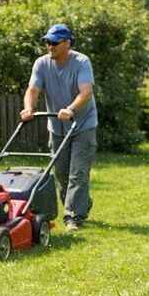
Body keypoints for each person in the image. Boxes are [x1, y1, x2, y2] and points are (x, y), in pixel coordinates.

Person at [20, 23, 97, 231]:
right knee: (62, 174)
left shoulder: (81, 62)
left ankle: (73, 217)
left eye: (54, 42)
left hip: (82, 125)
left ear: (67, 43)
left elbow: (86, 92)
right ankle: (81, 203)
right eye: (47, 42)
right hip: (56, 127)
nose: (49, 46)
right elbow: (33, 90)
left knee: (77, 173)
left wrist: (71, 108)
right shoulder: (42, 64)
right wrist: (28, 109)